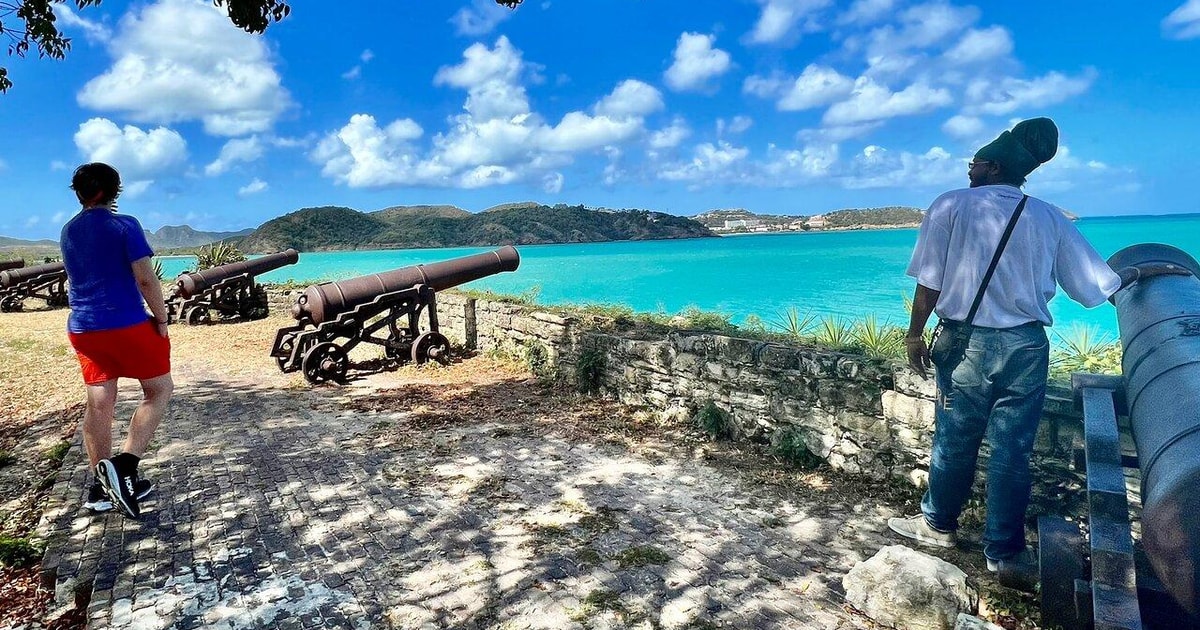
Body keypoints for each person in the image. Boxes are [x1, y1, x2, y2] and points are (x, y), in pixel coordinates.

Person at [887, 118, 1123, 569]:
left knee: (955, 438)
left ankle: (939, 526)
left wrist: (915, 333)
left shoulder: (951, 206)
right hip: (1027, 346)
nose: (969, 169)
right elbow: (1094, 285)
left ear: (992, 167)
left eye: (974, 163)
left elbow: (929, 284)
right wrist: (1139, 278)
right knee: (1013, 450)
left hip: (966, 343)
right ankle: (1004, 552)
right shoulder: (1049, 215)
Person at [61, 162, 173, 519]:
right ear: (115, 191)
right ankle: (125, 466)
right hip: (124, 324)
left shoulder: (68, 231)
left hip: (83, 328)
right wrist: (162, 317)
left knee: (99, 404)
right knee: (158, 390)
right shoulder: (124, 225)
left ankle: (100, 486)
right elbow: (145, 280)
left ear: (79, 193)